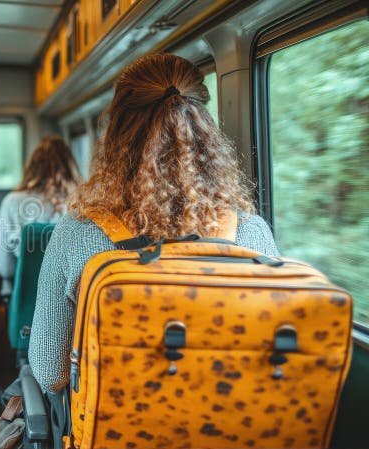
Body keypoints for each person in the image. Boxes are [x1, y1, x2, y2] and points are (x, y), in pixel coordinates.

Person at [28, 54, 280, 393]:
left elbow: (51, 373)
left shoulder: (78, 233)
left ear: (115, 136)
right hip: (233, 416)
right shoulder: (250, 233)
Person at [0, 135, 79, 284]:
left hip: (23, 294)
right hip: (70, 296)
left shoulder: (11, 202)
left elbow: (5, 269)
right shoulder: (81, 202)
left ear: (32, 167)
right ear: (70, 168)